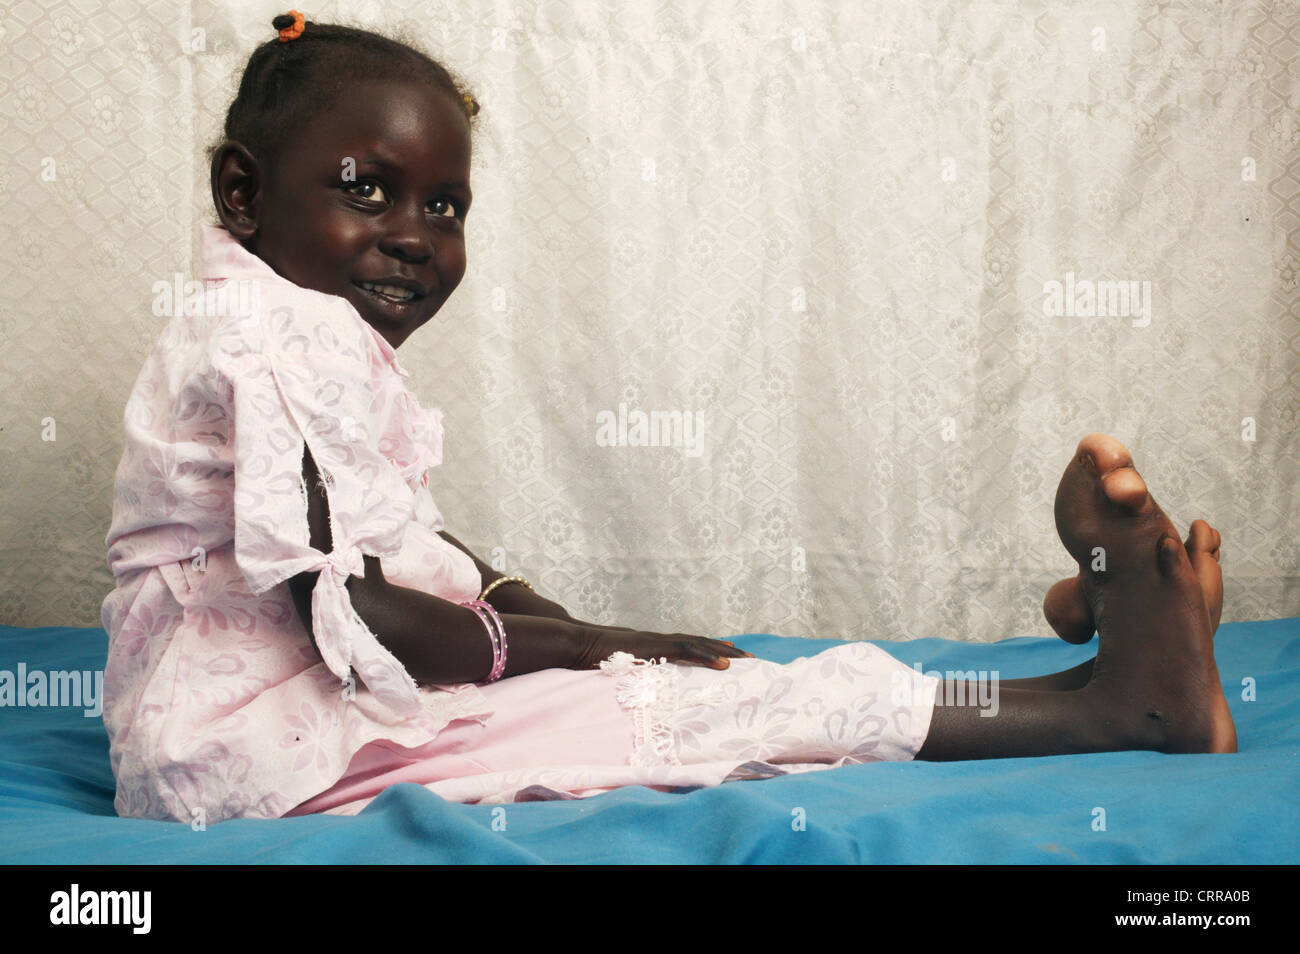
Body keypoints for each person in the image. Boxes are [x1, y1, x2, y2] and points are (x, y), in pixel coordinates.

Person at [100, 12, 1236, 823]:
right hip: (256, 740)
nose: (413, 232)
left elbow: (391, 538)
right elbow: (360, 615)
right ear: (244, 194)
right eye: (368, 188)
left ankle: (1123, 675)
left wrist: (533, 616)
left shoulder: (278, 326)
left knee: (698, 692)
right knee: (702, 714)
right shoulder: (277, 342)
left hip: (285, 699)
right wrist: (590, 645)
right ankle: (1129, 698)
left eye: (443, 206)